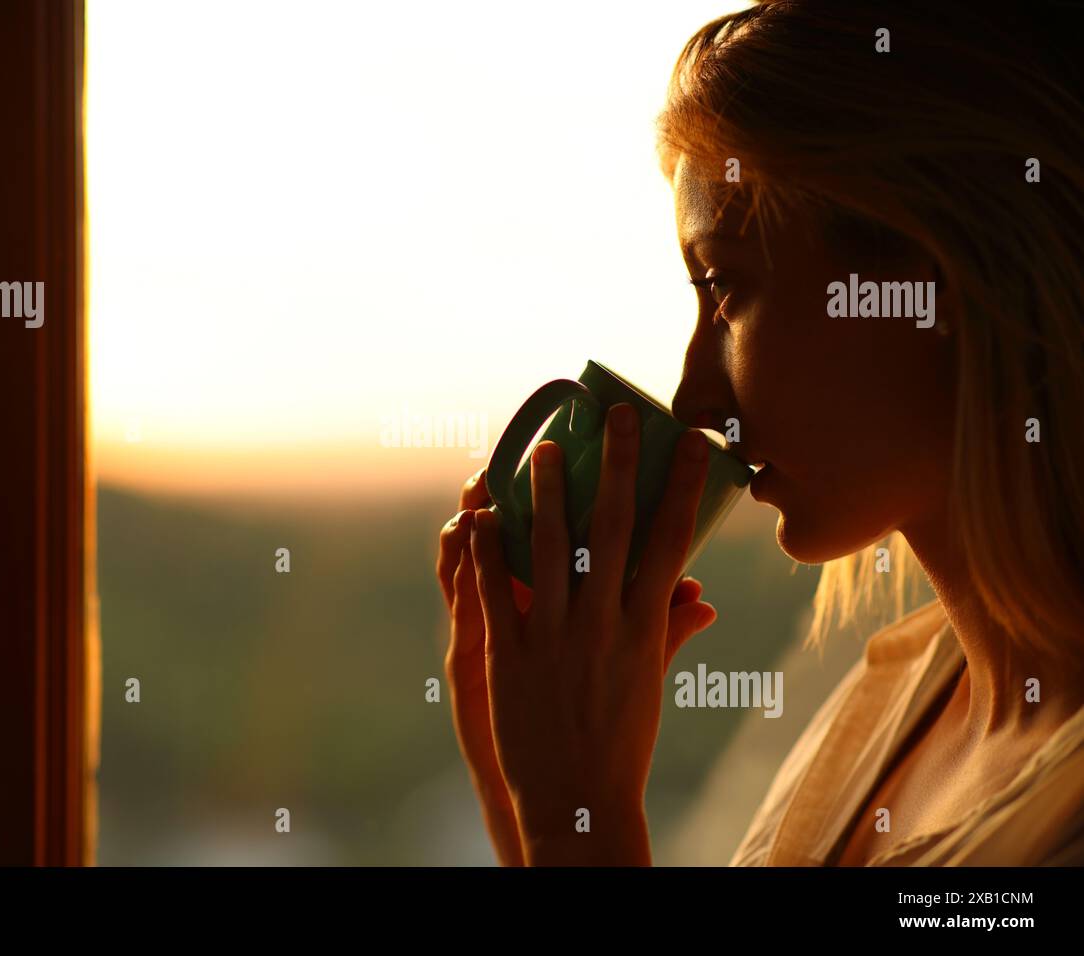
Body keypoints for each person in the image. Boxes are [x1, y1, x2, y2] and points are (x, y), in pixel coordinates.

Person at [435, 0, 1084, 866]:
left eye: (726, 290)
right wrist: (523, 789)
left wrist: (573, 818)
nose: (693, 400)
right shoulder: (888, 703)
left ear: (933, 287)